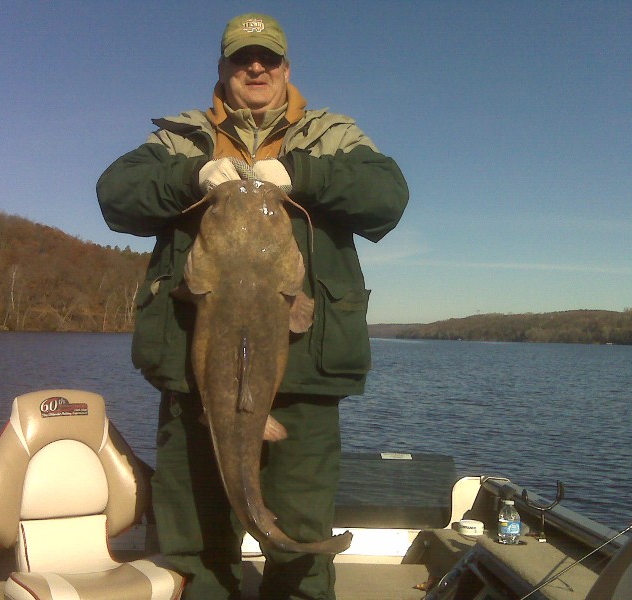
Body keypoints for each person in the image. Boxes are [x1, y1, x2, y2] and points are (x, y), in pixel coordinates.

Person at [96, 13, 408, 600]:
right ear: (223, 69)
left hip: (307, 377)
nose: (255, 68)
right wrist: (193, 176)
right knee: (195, 543)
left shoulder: (331, 133)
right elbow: (116, 196)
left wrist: (302, 174)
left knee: (298, 536)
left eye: (267, 58)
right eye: (242, 59)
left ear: (287, 68)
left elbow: (386, 198)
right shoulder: (181, 137)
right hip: (196, 378)